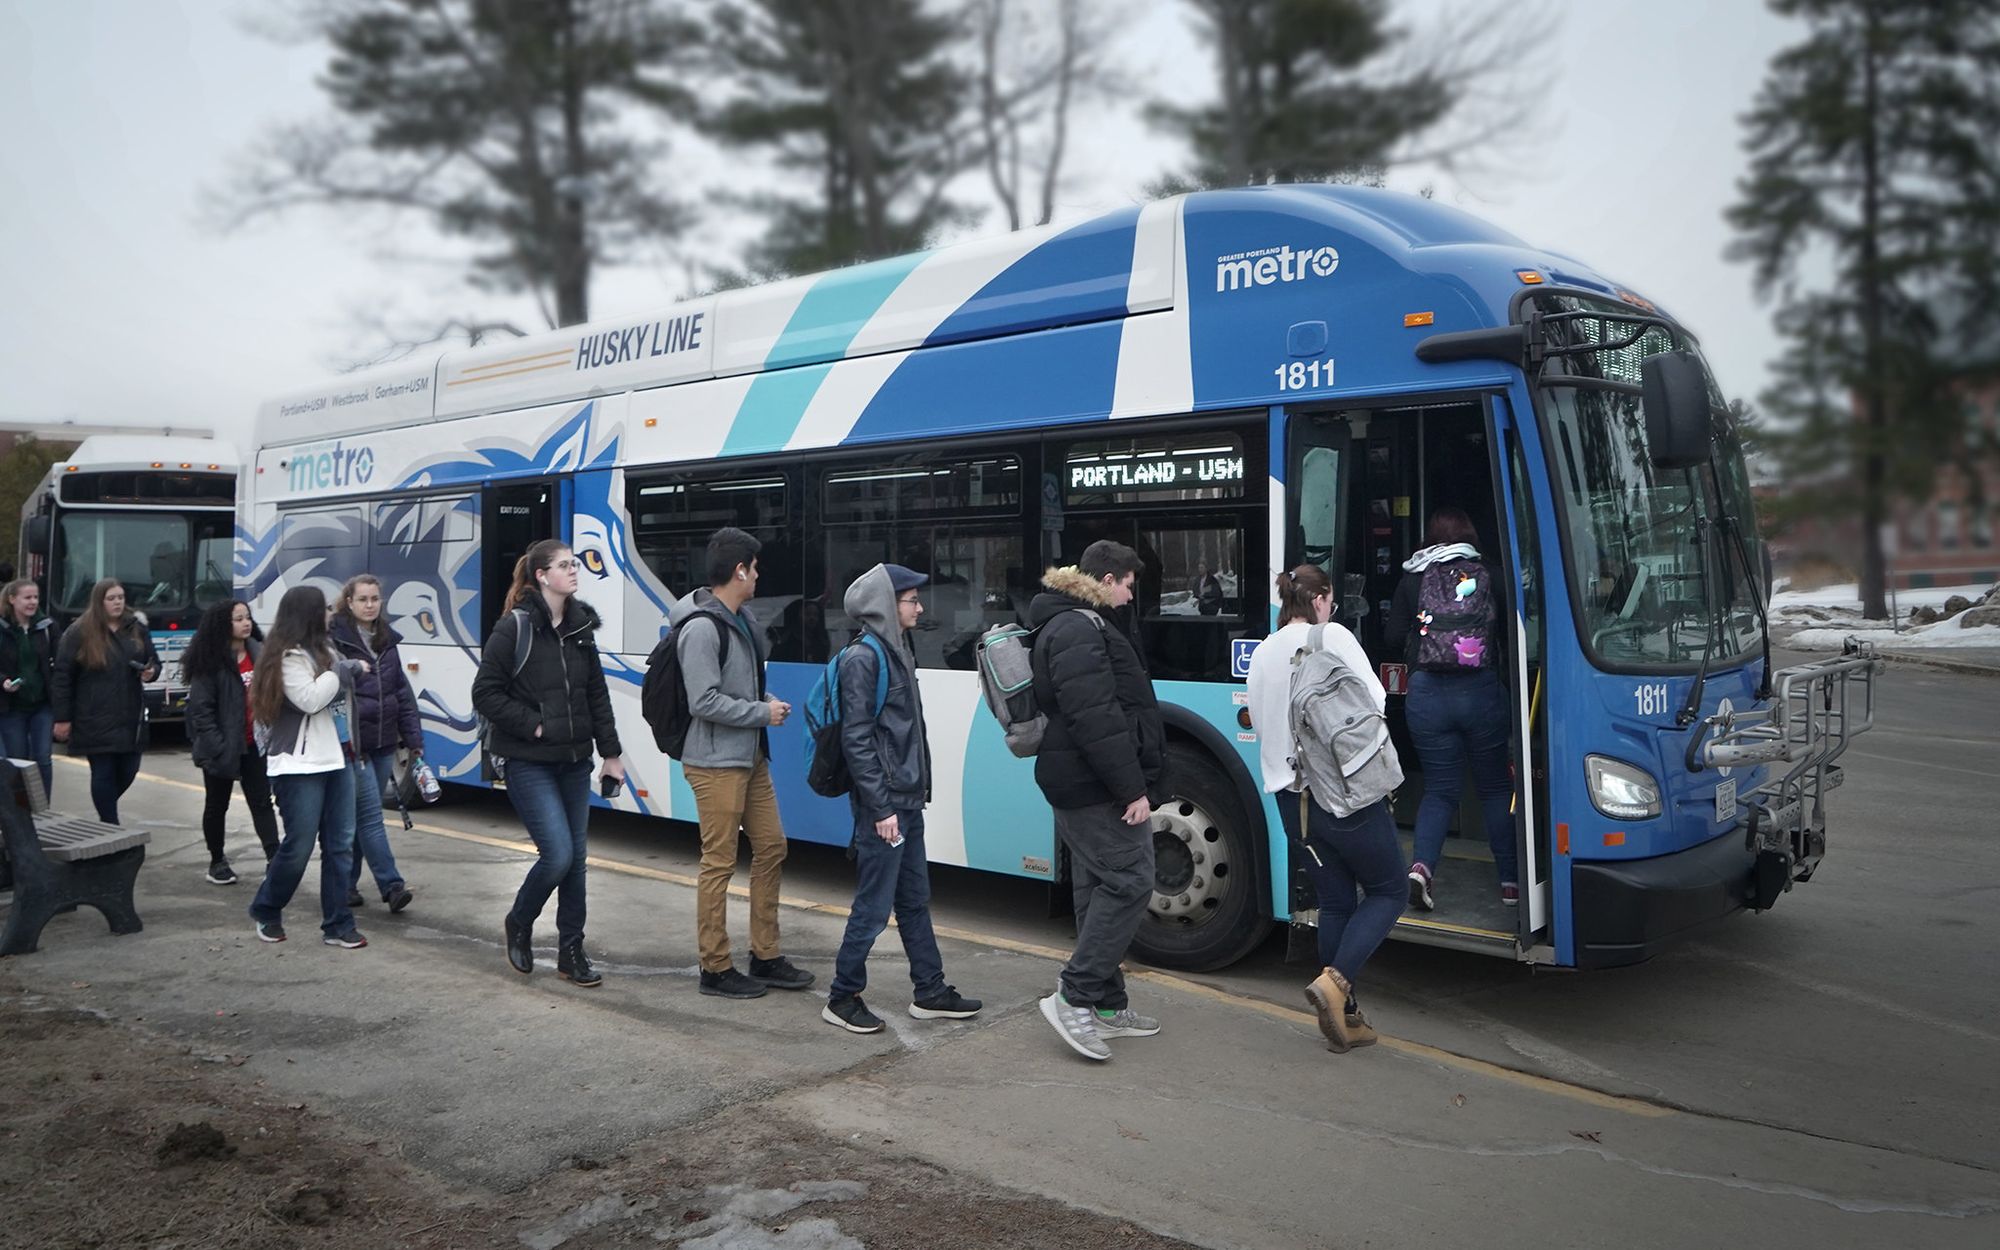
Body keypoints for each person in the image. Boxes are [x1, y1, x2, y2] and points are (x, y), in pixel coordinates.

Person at [1246, 564, 1406, 1052]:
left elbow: (1261, 725)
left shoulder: (1261, 652)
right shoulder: (1331, 636)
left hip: (1290, 802)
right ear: (1319, 600)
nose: (1330, 610)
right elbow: (1374, 700)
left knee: (1335, 902)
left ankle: (1347, 1016)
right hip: (1343, 797)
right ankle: (1336, 984)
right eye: (1330, 602)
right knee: (1390, 890)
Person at [821, 564, 982, 1034]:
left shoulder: (897, 651)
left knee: (914, 900)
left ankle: (930, 990)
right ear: (885, 606)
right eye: (911, 600)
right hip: (886, 807)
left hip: (904, 801)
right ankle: (842, 996)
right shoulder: (863, 659)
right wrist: (881, 807)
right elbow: (857, 741)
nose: (920, 607)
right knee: (873, 906)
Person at [1029, 540, 1166, 1062]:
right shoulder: (1076, 628)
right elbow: (1095, 718)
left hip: (1083, 781)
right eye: (1129, 585)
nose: (1132, 596)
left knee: (1096, 887)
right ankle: (1074, 996)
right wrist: (1132, 788)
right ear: (1107, 581)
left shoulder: (1077, 623)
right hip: (1092, 784)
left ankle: (1106, 1005)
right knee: (1131, 880)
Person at [670, 526, 814, 1000]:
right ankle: (714, 967)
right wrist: (760, 713)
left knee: (772, 846)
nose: (758, 575)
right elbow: (703, 701)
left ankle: (765, 955)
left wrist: (763, 701)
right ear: (739, 571)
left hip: (749, 757)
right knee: (719, 862)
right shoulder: (701, 628)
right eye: (755, 568)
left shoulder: (741, 620)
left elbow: (738, 687)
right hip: (714, 762)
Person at [474, 540, 626, 986]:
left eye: (575, 563)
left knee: (576, 861)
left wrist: (611, 755)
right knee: (558, 855)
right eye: (564, 565)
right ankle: (519, 920)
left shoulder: (581, 629)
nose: (574, 570)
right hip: (528, 761)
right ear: (541, 576)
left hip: (575, 761)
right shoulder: (515, 628)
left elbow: (597, 695)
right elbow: (485, 693)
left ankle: (571, 952)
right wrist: (535, 726)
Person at [1384, 507, 1518, 911]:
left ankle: (1421, 869)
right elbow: (1514, 632)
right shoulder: (1491, 574)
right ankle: (1511, 882)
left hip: (1427, 697)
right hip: (1481, 693)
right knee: (1495, 788)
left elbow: (1392, 636)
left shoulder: (1413, 577)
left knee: (1440, 790)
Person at [247, 586, 366, 948]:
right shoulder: (286, 657)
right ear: (309, 614)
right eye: (325, 608)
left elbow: (340, 700)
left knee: (340, 845)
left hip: (338, 758)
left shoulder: (326, 649)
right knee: (298, 846)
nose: (332, 613)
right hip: (297, 765)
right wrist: (342, 670)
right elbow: (310, 700)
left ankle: (338, 924)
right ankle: (267, 909)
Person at [331, 574, 417, 913]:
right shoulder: (336, 640)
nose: (370, 605)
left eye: (375, 599)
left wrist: (413, 739)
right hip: (355, 744)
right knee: (369, 816)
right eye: (363, 599)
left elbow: (401, 693)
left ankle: (346, 885)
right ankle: (392, 885)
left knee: (359, 817)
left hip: (383, 743)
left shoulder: (387, 640)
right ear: (349, 602)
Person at [182, 599, 281, 884]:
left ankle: (274, 859)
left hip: (254, 745)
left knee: (262, 802)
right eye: (238, 619)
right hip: (222, 747)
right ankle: (217, 861)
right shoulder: (210, 661)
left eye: (247, 617)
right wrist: (218, 747)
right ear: (222, 624)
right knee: (217, 805)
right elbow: (201, 711)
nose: (246, 623)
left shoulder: (259, 652)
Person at [51, 579, 158, 824]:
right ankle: (110, 823)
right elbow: (63, 676)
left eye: (120, 597)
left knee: (129, 770)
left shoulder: (136, 628)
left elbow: (153, 661)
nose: (117, 602)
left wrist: (151, 672)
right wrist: (62, 718)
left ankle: (106, 812)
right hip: (93, 715)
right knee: (103, 772)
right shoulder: (79, 631)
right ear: (99, 602)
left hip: (129, 713)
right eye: (111, 598)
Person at [0, 579, 58, 800]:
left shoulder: (47, 627)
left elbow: (61, 663)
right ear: (12, 599)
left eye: (35, 597)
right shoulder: (3, 629)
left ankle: (43, 808)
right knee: (18, 760)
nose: (33, 602)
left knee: (43, 757)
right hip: (12, 708)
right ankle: (21, 811)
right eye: (27, 597)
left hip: (42, 705)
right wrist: (4, 681)